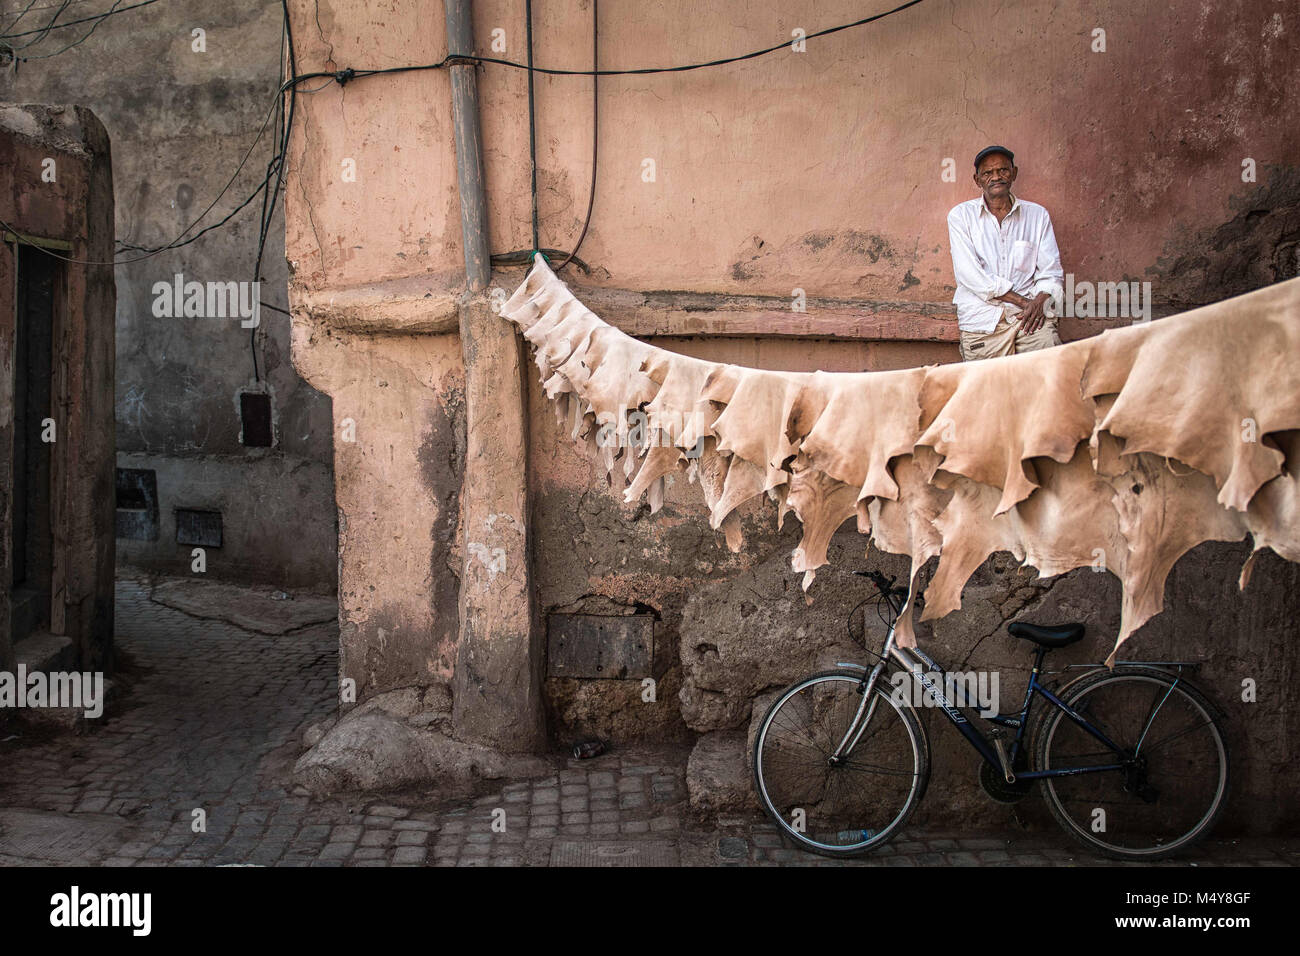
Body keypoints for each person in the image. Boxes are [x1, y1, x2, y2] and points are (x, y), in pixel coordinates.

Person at [947, 146, 1065, 361]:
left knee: (1049, 378)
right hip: (983, 321)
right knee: (987, 390)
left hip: (1030, 319)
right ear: (977, 180)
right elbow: (970, 275)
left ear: (1014, 173)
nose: (996, 177)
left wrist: (1039, 301)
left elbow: (1051, 272)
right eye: (988, 173)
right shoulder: (961, 216)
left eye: (1003, 171)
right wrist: (1023, 302)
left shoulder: (1037, 215)